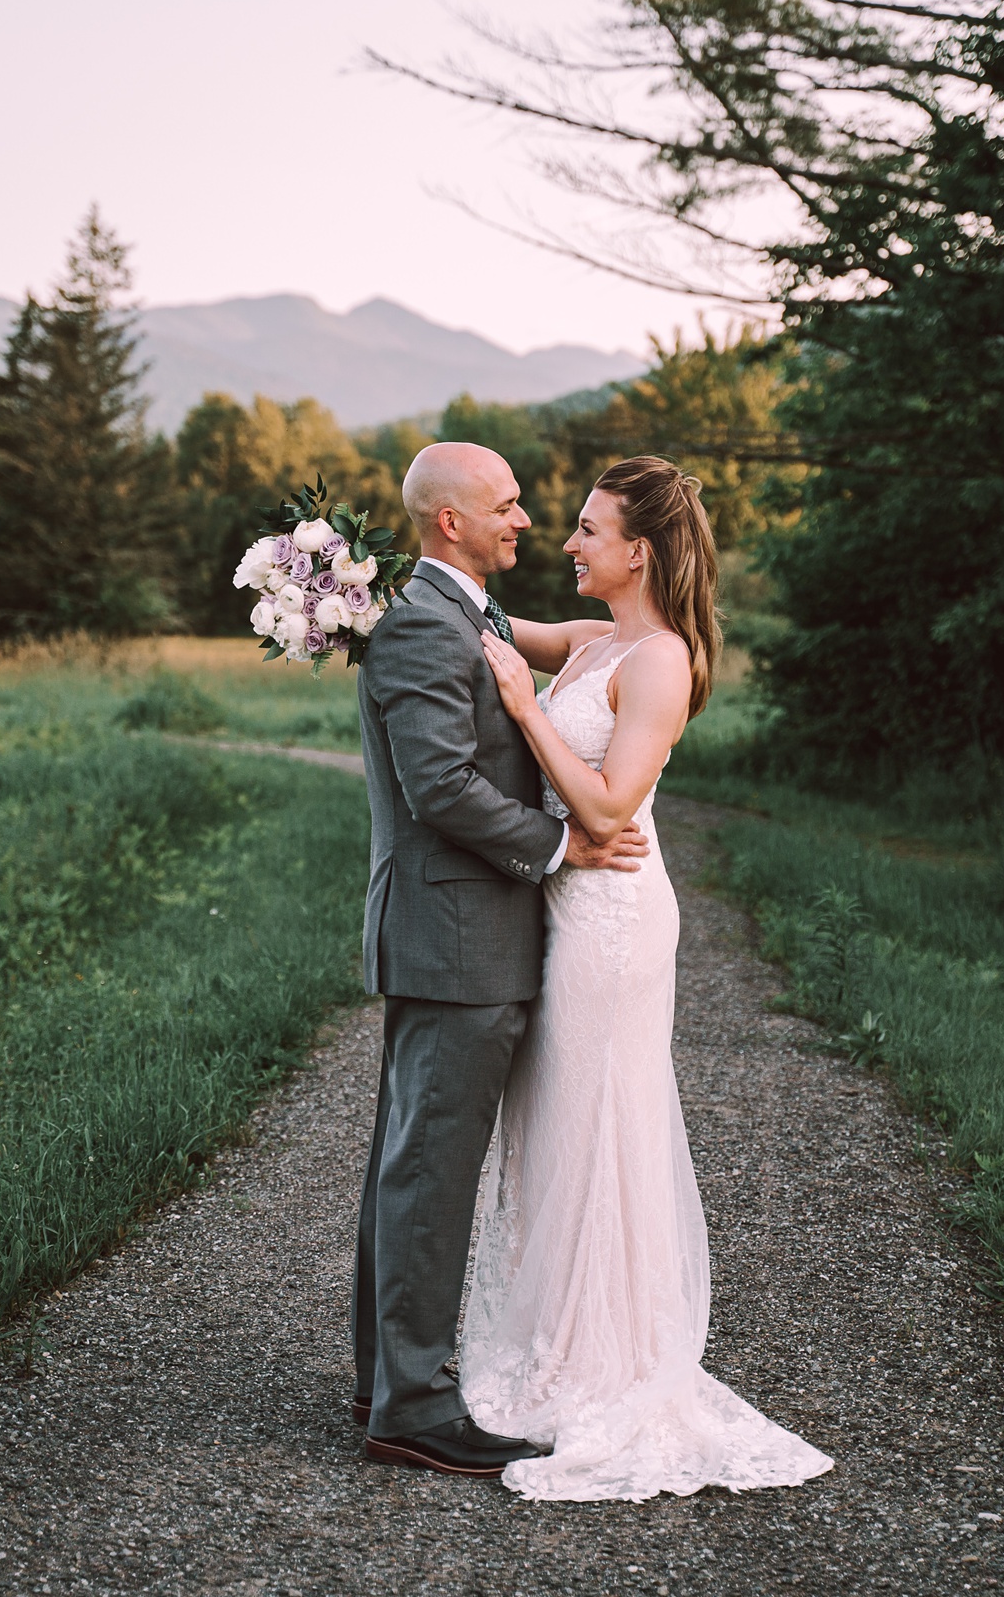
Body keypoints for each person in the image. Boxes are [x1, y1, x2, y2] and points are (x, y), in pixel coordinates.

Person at [463, 454, 834, 1500]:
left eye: (587, 529)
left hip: (613, 922)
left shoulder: (660, 661)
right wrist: (352, 587)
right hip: (564, 907)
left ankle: (608, 1365)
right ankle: (561, 1345)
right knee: (557, 1122)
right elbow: (483, 628)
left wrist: (526, 713)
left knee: (599, 1120)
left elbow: (612, 810)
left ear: (640, 549)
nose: (566, 541)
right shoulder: (592, 642)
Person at [352, 441, 650, 1477]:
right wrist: (569, 844)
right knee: (429, 1170)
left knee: (417, 1163)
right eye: (511, 504)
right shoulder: (426, 630)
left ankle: (387, 1381)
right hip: (456, 937)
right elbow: (440, 788)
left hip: (470, 936)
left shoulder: (467, 612)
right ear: (451, 521)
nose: (527, 519)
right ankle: (415, 1407)